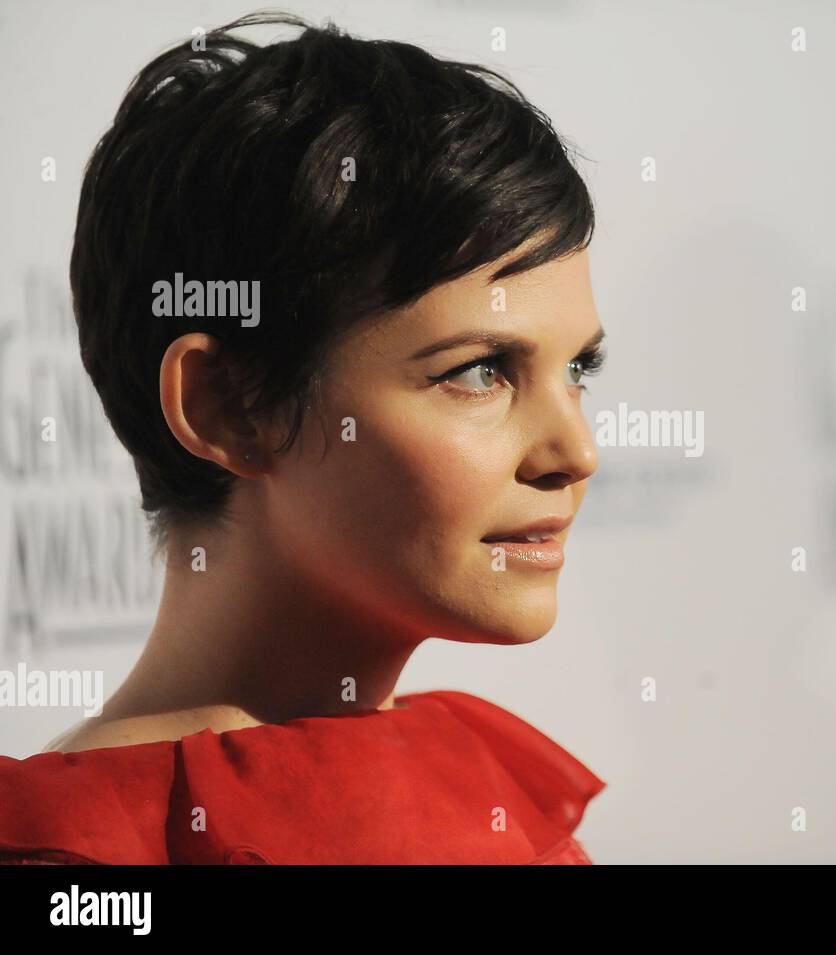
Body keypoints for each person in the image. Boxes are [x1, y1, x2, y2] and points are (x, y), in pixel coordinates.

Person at [0, 11, 607, 864]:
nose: (575, 452)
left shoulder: (485, 793)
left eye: (581, 368)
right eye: (479, 371)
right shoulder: (76, 858)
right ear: (229, 408)